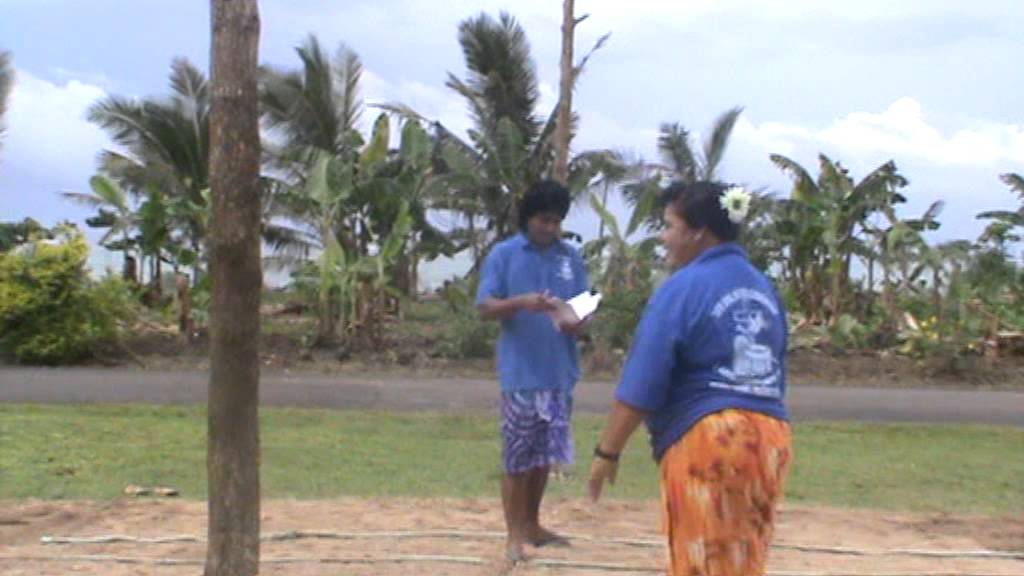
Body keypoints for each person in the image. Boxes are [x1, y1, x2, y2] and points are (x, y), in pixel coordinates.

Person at [588, 181, 792, 576]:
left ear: (698, 231)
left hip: (711, 438)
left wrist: (608, 451)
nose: (663, 238)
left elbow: (643, 381)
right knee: (743, 556)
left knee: (700, 556)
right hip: (771, 437)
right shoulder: (764, 287)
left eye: (669, 226)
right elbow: (777, 366)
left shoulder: (682, 288)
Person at [476, 179, 590, 563]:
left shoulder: (570, 258)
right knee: (517, 457)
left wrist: (576, 320)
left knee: (544, 455)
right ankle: (513, 535)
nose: (550, 228)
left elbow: (583, 307)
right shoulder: (504, 254)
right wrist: (521, 302)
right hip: (521, 374)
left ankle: (533, 525)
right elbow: (485, 307)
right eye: (544, 220)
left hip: (560, 373)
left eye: (556, 221)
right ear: (528, 218)